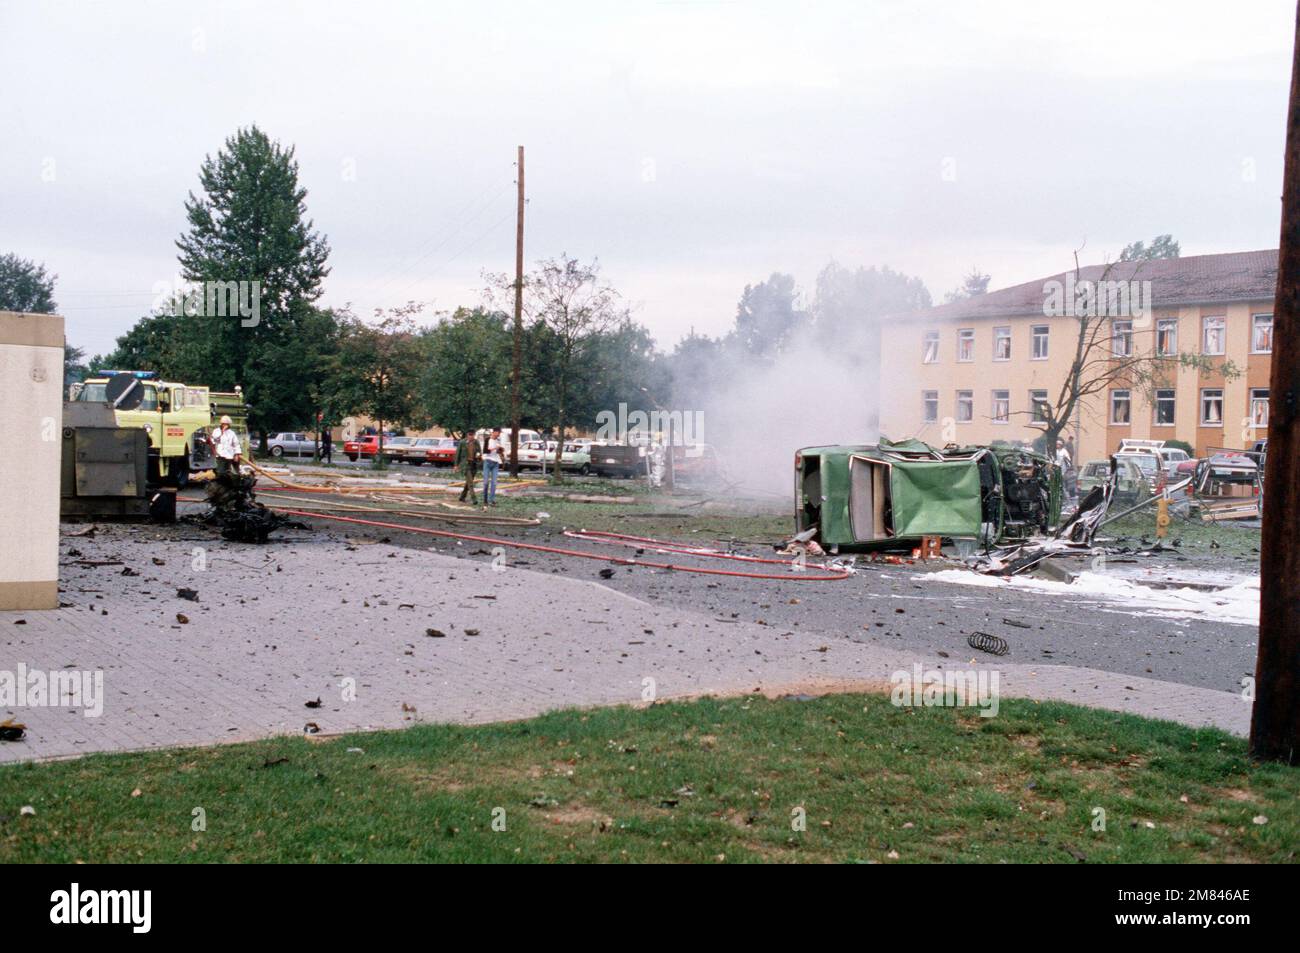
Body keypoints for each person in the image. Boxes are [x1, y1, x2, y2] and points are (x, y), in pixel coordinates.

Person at [210, 415, 242, 482]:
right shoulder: (216, 431)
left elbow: (236, 444)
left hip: (230, 455)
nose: (225, 425)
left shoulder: (232, 433)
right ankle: (220, 483)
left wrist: (237, 454)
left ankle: (232, 482)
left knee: (231, 471)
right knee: (221, 472)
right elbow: (214, 440)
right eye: (224, 424)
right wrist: (222, 432)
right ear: (221, 424)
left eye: (227, 424)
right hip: (220, 455)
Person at [456, 430, 481, 504]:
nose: (471, 436)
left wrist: (478, 458)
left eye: (473, 435)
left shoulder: (476, 442)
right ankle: (474, 499)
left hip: (473, 464)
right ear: (467, 435)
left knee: (469, 482)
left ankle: (462, 497)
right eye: (470, 435)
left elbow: (479, 452)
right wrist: (456, 465)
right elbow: (457, 454)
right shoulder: (462, 442)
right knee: (470, 483)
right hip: (465, 465)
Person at [482, 427, 504, 507]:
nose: (498, 434)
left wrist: (500, 450)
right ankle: (485, 500)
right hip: (488, 461)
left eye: (499, 433)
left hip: (496, 462)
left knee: (494, 483)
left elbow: (498, 451)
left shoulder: (498, 440)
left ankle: (491, 500)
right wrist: (495, 448)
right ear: (494, 432)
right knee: (486, 482)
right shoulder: (487, 440)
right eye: (498, 432)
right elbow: (485, 451)